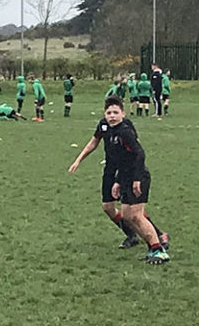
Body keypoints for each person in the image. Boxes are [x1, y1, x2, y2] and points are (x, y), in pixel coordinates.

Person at [69, 95, 170, 253]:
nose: (112, 116)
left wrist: (135, 177)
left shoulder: (125, 129)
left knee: (133, 211)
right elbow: (94, 141)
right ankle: (132, 235)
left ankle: (157, 238)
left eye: (116, 112)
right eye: (109, 113)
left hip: (128, 170)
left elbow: (137, 152)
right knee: (108, 207)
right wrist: (78, 159)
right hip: (113, 170)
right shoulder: (103, 125)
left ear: (123, 113)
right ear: (104, 114)